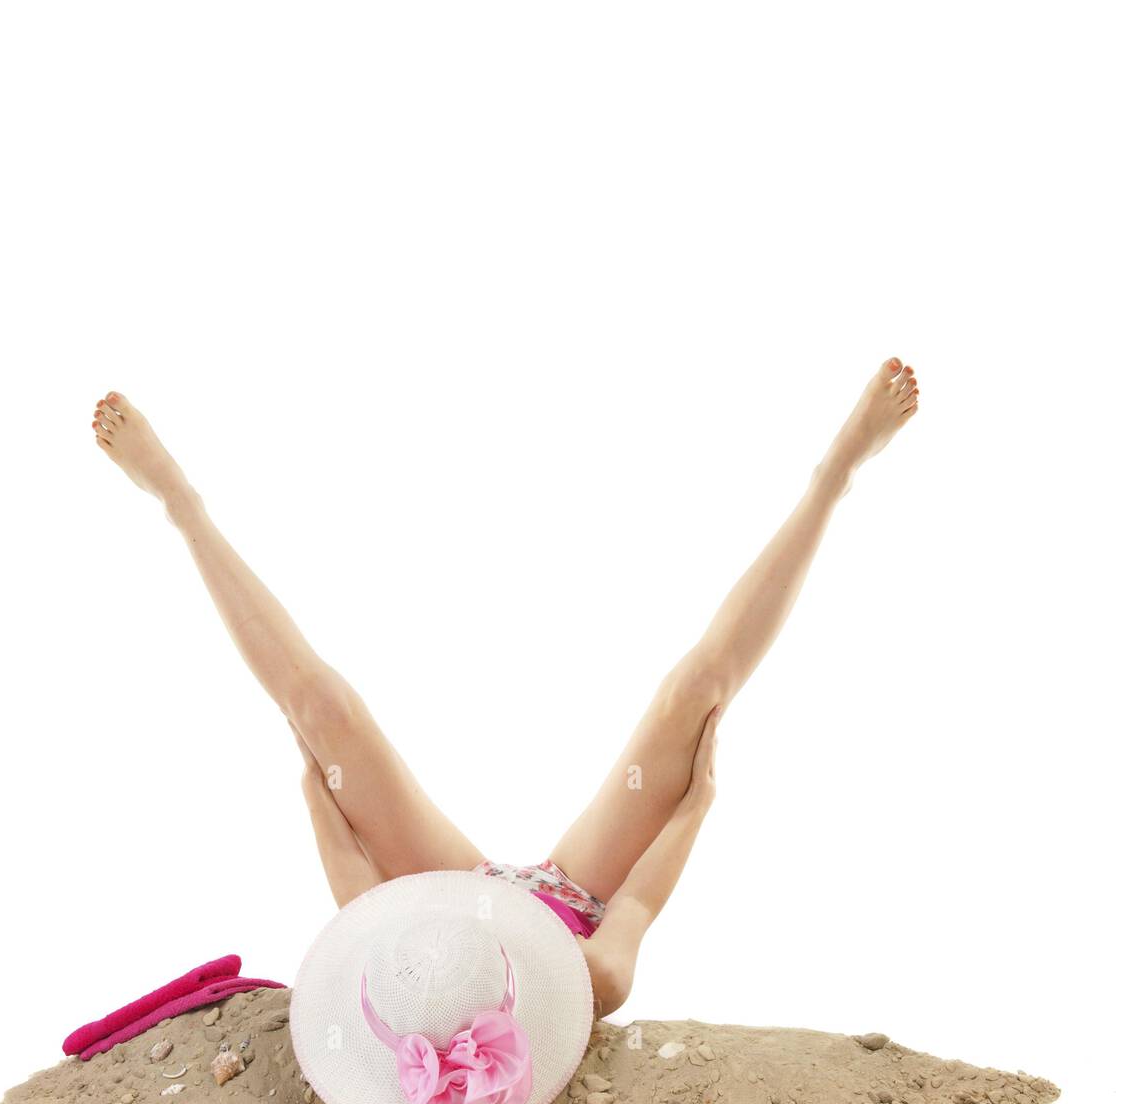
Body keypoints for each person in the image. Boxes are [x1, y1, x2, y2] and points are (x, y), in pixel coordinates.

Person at [90, 357, 918, 1018]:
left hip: (442, 887)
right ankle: (835, 473)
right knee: (691, 693)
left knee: (324, 711)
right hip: (577, 894)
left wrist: (319, 786)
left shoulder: (407, 963)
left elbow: (356, 894)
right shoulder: (596, 979)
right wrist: (694, 804)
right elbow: (633, 903)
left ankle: (179, 501)